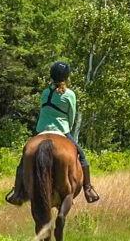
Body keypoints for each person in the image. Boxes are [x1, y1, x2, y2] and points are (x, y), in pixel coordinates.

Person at [5, 61, 100, 205]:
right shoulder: (69, 94)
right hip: (61, 130)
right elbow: (71, 117)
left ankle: (18, 191)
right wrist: (66, 129)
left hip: (41, 130)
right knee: (82, 157)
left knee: (24, 159)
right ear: (66, 77)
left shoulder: (45, 92)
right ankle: (88, 189)